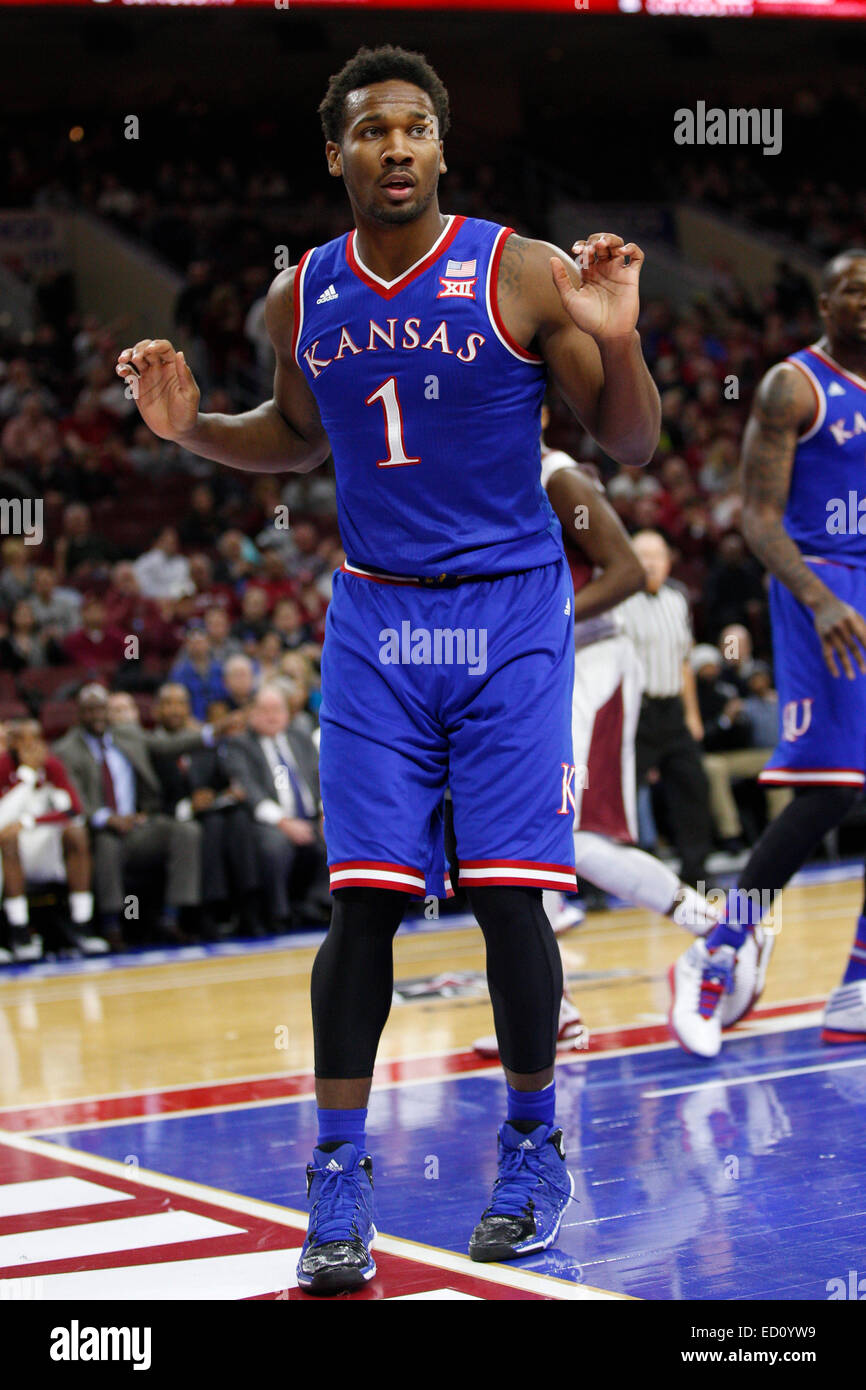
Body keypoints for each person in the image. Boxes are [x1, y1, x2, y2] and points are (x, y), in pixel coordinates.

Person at [115, 43, 660, 1293]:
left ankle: (531, 1147)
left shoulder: (517, 268)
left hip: (510, 614)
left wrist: (618, 341)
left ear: (442, 147)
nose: (396, 146)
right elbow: (296, 440)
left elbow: (626, 441)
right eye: (371, 131)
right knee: (359, 899)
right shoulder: (297, 297)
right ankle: (336, 1175)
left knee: (510, 891)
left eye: (415, 126)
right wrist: (190, 426)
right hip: (376, 621)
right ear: (337, 154)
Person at [473, 410, 721, 1059]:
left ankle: (721, 932)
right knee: (528, 834)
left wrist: (536, 624)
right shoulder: (486, 483)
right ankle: (552, 1008)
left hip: (593, 664)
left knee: (562, 835)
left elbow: (628, 575)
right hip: (542, 670)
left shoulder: (556, 475)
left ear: (539, 411)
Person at [670, 249, 866, 1057]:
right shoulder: (795, 385)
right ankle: (717, 947)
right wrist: (820, 600)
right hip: (819, 585)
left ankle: (856, 983)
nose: (865, 301)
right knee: (826, 794)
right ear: (823, 301)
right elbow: (757, 516)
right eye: (851, 289)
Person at [619, 531, 713, 889]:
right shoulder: (619, 601)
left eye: (657, 555)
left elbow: (684, 661)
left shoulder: (678, 599)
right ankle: (604, 882)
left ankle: (695, 870)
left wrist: (693, 714)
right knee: (620, 793)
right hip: (635, 712)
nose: (650, 562)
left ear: (669, 561)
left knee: (693, 786)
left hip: (672, 709)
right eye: (642, 555)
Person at [222, 684, 328, 929]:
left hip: (311, 816)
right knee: (275, 845)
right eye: (264, 710)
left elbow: (320, 777)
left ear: (287, 713)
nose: (271, 716)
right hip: (268, 820)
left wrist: (325, 813)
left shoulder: (300, 738)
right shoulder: (240, 745)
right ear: (252, 713)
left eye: (277, 709)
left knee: (337, 835)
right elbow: (248, 789)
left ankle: (318, 905)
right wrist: (283, 822)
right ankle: (279, 913)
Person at [0, 719, 103, 961]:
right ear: (13, 743)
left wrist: (30, 822)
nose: (34, 746)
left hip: (45, 845)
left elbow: (74, 810)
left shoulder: (53, 765)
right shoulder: (3, 767)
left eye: (37, 739)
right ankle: (20, 933)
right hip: (9, 850)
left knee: (77, 833)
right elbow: (3, 820)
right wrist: (26, 777)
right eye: (26, 740)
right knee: (8, 839)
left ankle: (82, 925)